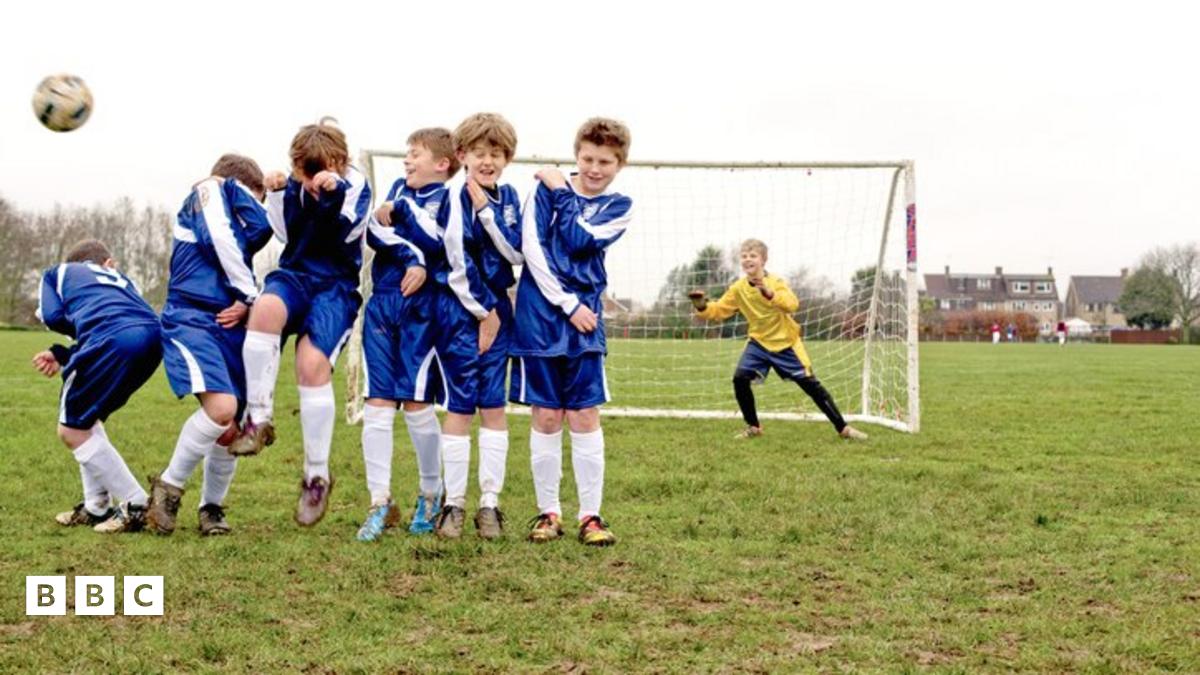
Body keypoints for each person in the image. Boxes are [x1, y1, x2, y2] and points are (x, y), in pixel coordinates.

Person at [230, 118, 372, 527]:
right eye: (302, 173)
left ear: (340, 162)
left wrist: (333, 190)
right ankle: (258, 418)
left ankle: (316, 476)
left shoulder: (355, 185)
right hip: (294, 274)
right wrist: (277, 194)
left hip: (334, 287)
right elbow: (283, 232)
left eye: (317, 171)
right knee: (265, 309)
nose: (309, 181)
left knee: (311, 367)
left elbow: (347, 230)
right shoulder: (292, 184)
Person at [510, 117, 634, 547]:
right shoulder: (541, 191)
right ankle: (548, 513)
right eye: (587, 159)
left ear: (620, 164)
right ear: (576, 154)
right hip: (540, 318)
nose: (595, 168)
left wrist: (563, 191)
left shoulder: (619, 205)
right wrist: (567, 303)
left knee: (583, 414)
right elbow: (533, 251)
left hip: (584, 324)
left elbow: (580, 240)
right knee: (545, 415)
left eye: (605, 161)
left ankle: (590, 517)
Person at [146, 155, 275, 536]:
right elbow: (218, 236)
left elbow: (261, 230)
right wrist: (249, 295)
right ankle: (167, 488)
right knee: (222, 409)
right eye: (253, 197)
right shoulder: (207, 193)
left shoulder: (239, 219)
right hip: (193, 318)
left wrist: (247, 301)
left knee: (231, 426)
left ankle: (212, 509)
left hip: (229, 321)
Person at [356, 127, 457, 541]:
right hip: (383, 302)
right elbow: (373, 232)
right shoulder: (397, 189)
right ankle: (379, 502)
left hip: (423, 310)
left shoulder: (451, 199)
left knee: (416, 404)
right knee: (377, 403)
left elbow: (440, 242)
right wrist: (410, 254)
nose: (406, 161)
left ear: (442, 163)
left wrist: (403, 214)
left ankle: (430, 493)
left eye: (414, 154)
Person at [433, 112, 524, 540]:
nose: (488, 161)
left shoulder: (506, 199)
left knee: (493, 406)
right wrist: (482, 311)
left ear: (507, 158)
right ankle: (453, 503)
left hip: (498, 315)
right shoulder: (452, 195)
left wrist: (489, 213)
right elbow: (454, 259)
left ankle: (490, 503)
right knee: (460, 408)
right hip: (461, 312)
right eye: (479, 153)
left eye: (496, 154)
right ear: (462, 155)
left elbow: (515, 253)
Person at [34, 239, 162, 533]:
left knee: (71, 429)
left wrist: (65, 330)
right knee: (87, 420)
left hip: (112, 339)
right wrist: (62, 353)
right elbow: (112, 318)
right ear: (108, 264)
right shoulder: (121, 280)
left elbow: (53, 316)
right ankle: (96, 507)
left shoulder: (58, 272)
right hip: (153, 340)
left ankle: (137, 504)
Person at [688, 238, 868, 442]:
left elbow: (792, 305)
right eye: (744, 256)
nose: (748, 260)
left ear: (763, 260)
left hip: (786, 343)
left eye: (753, 256)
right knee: (740, 379)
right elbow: (719, 310)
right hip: (759, 343)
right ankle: (754, 427)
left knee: (811, 386)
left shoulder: (776, 282)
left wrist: (769, 293)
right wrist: (701, 306)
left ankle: (842, 428)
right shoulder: (738, 288)